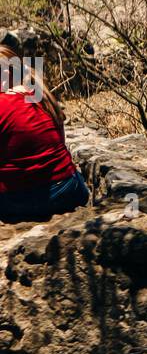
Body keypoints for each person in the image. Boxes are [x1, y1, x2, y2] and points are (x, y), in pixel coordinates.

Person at [0, 48, 89, 223]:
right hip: (70, 190)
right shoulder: (43, 97)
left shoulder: (3, 104)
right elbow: (61, 142)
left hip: (19, 202)